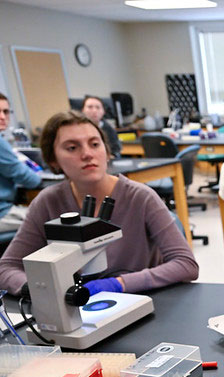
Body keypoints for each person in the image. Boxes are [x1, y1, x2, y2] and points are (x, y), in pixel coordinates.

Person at [0, 110, 198, 296]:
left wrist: (119, 284)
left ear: (107, 151)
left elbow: (186, 264)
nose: (87, 154)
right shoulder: (47, 203)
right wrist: (43, 291)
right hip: (80, 310)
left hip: (144, 303)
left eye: (94, 144)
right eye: (72, 148)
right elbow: (6, 268)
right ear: (53, 160)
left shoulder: (140, 197)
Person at [0, 92, 41, 233]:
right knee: (48, 219)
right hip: (2, 214)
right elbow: (31, 181)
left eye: (6, 112)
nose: (2, 117)